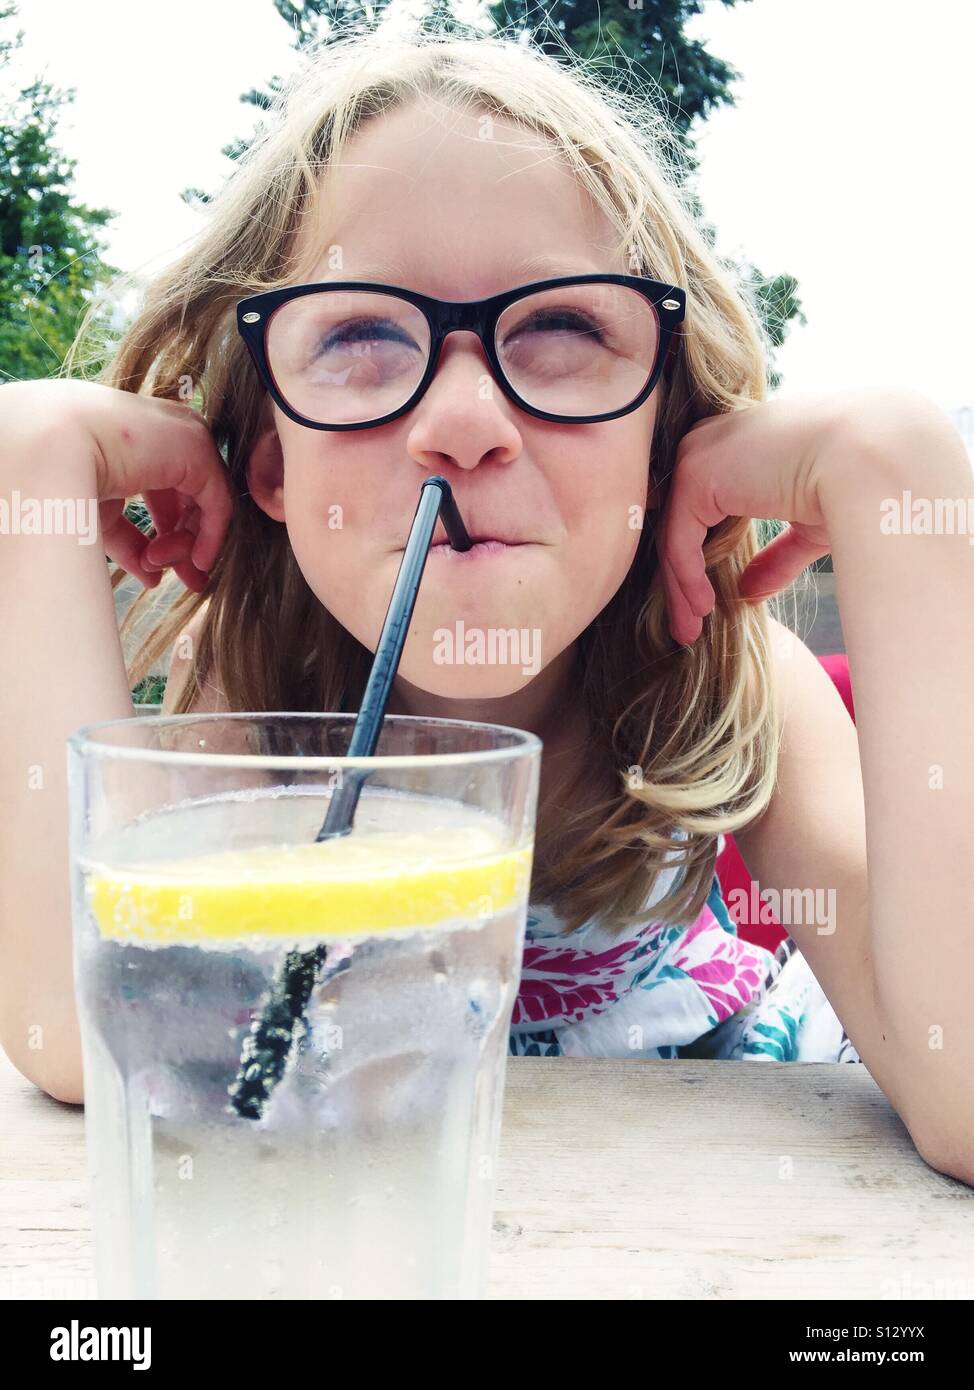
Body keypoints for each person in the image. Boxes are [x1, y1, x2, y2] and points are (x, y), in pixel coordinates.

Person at [2, 27, 971, 1185]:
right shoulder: (262, 692)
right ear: (272, 468)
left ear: (661, 445)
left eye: (561, 329)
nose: (460, 420)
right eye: (360, 333)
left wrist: (895, 466)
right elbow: (89, 1035)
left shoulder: (739, 679)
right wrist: (31, 465)